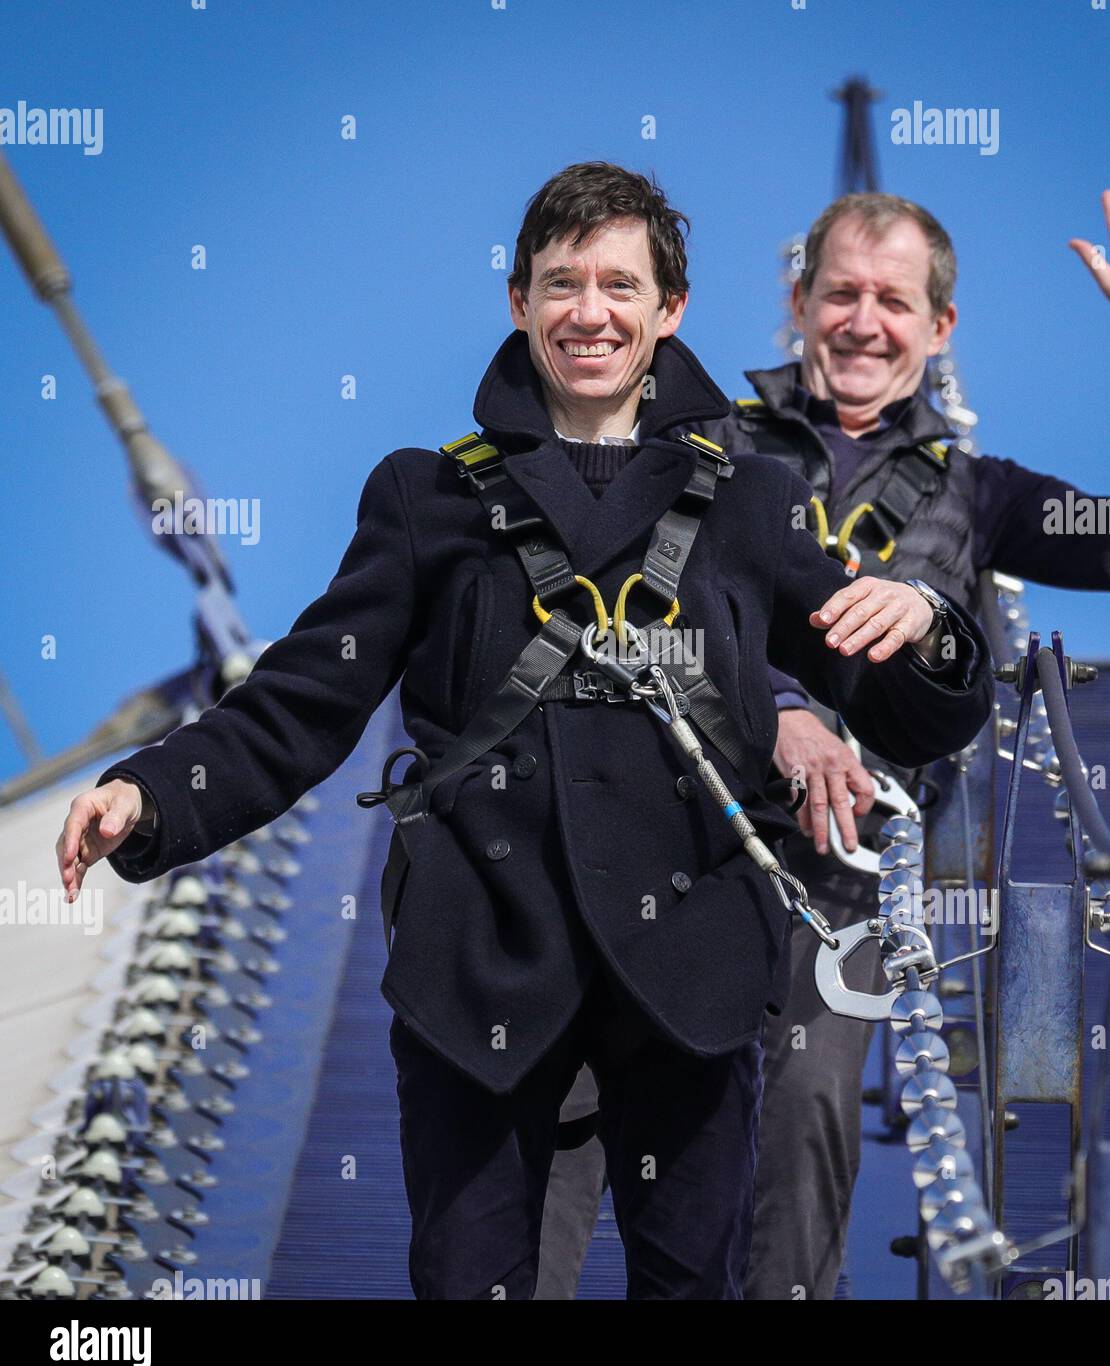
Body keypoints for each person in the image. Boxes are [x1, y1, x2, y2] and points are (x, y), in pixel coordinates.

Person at [55, 162, 994, 1300]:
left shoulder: (749, 503)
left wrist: (931, 626)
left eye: (617, 285)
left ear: (668, 311)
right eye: (560, 283)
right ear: (518, 301)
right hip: (481, 957)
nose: (588, 313)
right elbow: (305, 696)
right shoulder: (427, 497)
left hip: (691, 963)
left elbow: (891, 691)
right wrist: (153, 793)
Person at [537, 181, 1110, 1300]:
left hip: (847, 872)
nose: (865, 321)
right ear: (799, 303)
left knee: (807, 1108)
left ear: (937, 328)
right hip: (668, 833)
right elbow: (635, 593)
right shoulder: (697, 436)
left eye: (894, 301)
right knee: (580, 1104)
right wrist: (784, 709)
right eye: (841, 293)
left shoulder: (981, 494)